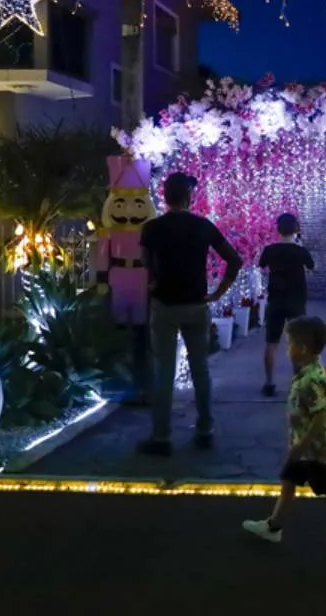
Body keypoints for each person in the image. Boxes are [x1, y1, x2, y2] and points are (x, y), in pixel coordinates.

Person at [242, 316, 326, 552]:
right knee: (289, 481)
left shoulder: (311, 380)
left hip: (313, 450)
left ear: (302, 349)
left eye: (289, 343)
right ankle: (274, 526)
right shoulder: (311, 372)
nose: (287, 348)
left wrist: (302, 445)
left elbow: (321, 416)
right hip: (304, 446)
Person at [139, 172, 242, 454]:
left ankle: (161, 437)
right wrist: (219, 292)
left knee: (164, 372)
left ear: (165, 196)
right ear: (189, 197)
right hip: (196, 305)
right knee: (200, 370)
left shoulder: (152, 228)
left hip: (164, 306)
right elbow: (234, 259)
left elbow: (146, 262)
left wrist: (153, 280)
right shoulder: (203, 226)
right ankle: (205, 430)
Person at [258, 213, 315, 397]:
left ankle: (269, 383)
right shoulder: (301, 251)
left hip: (276, 301)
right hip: (296, 301)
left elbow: (262, 267)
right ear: (296, 229)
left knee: (271, 343)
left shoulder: (270, 250)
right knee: (297, 342)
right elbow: (312, 268)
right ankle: (297, 384)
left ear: (278, 229)